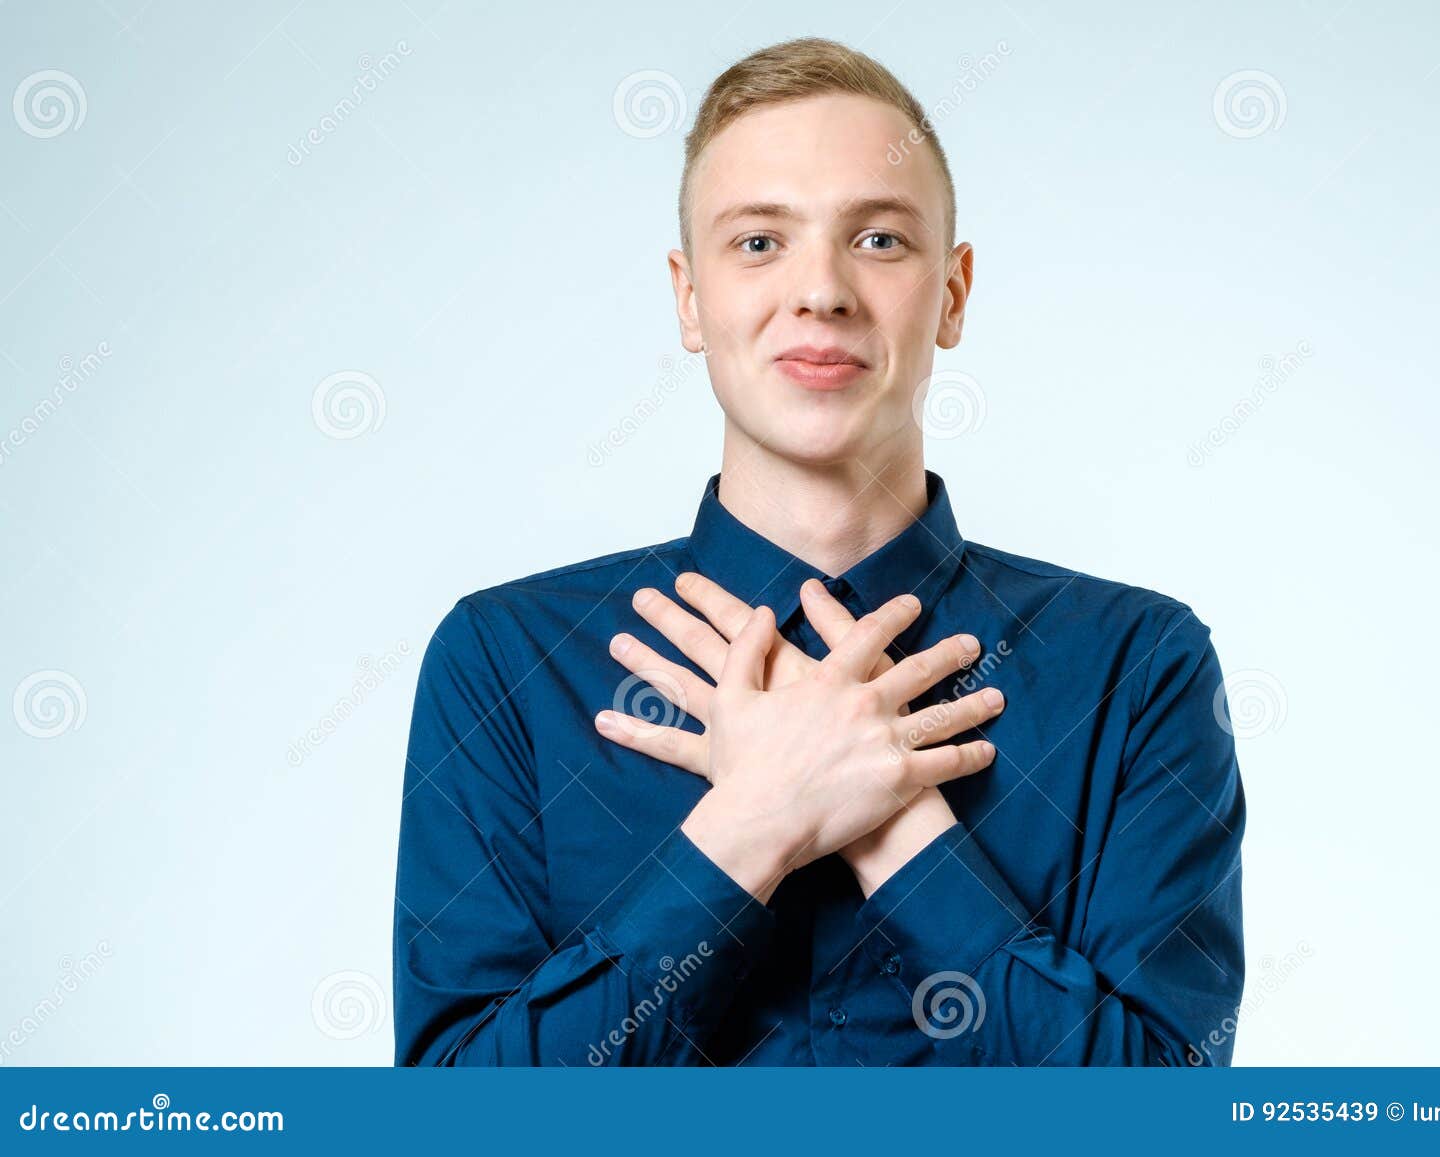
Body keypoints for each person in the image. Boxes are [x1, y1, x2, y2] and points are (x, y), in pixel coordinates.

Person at [393, 37, 1246, 1067]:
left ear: (954, 291)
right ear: (689, 297)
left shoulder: (1135, 666)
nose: (821, 292)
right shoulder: (504, 663)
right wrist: (753, 822)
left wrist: (899, 832)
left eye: (879, 240)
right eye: (758, 243)